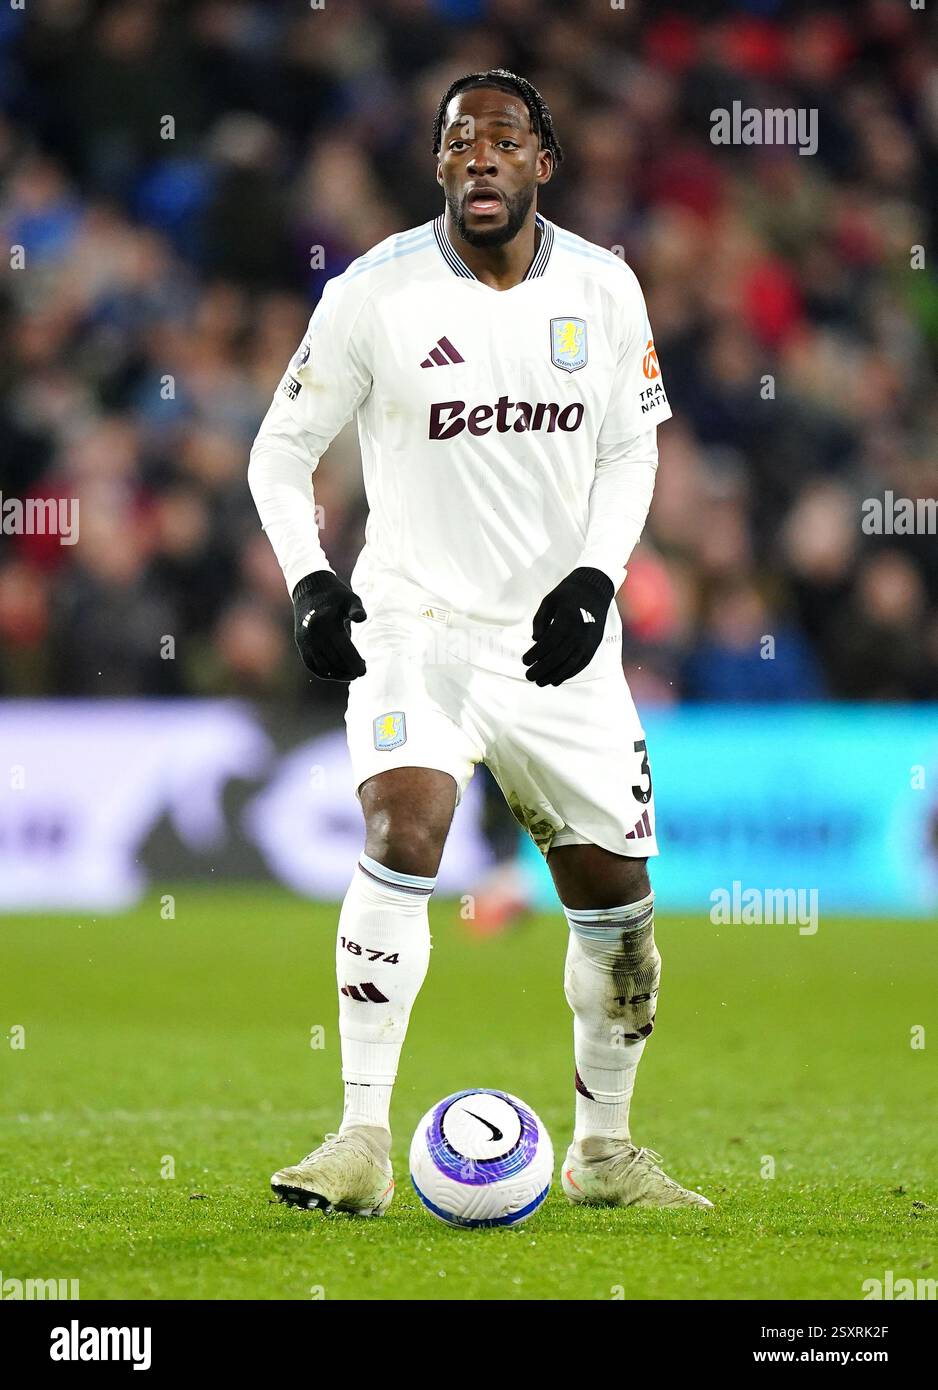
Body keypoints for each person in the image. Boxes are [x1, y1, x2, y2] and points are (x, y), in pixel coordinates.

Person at [248, 69, 711, 1214]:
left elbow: (629, 451)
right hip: (417, 623)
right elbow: (277, 451)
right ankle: (358, 1137)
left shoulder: (603, 289)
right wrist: (310, 581)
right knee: (403, 830)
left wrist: (596, 579)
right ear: (440, 166)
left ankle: (602, 1152)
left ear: (542, 163)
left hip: (557, 645)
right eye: (460, 141)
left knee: (618, 916)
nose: (480, 158)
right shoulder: (376, 293)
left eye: (504, 139)